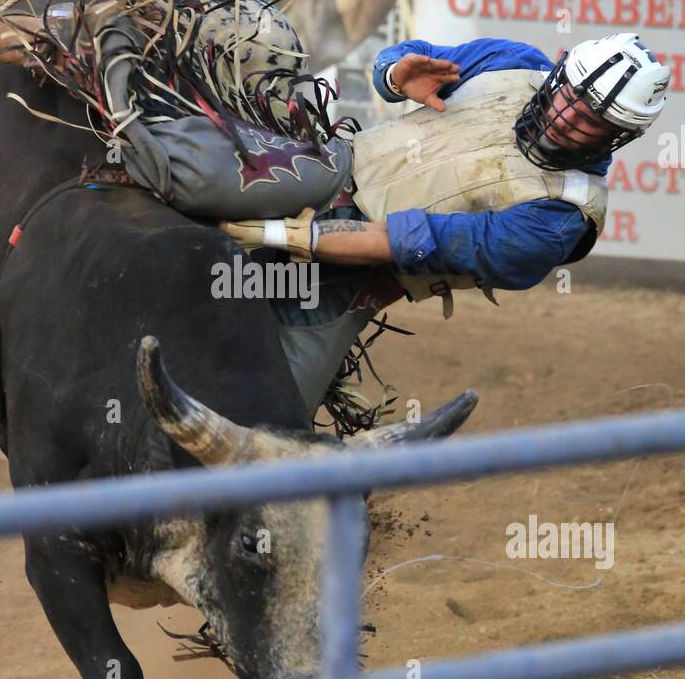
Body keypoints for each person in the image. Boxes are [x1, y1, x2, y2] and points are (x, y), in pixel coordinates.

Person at [219, 34, 669, 406]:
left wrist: (289, 235)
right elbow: (406, 58)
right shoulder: (511, 62)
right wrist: (395, 74)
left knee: (273, 408)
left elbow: (417, 240)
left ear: (619, 137)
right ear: (561, 70)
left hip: (352, 275)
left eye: (590, 118)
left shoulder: (564, 216)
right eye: (570, 95)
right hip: (323, 165)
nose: (565, 118)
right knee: (194, 167)